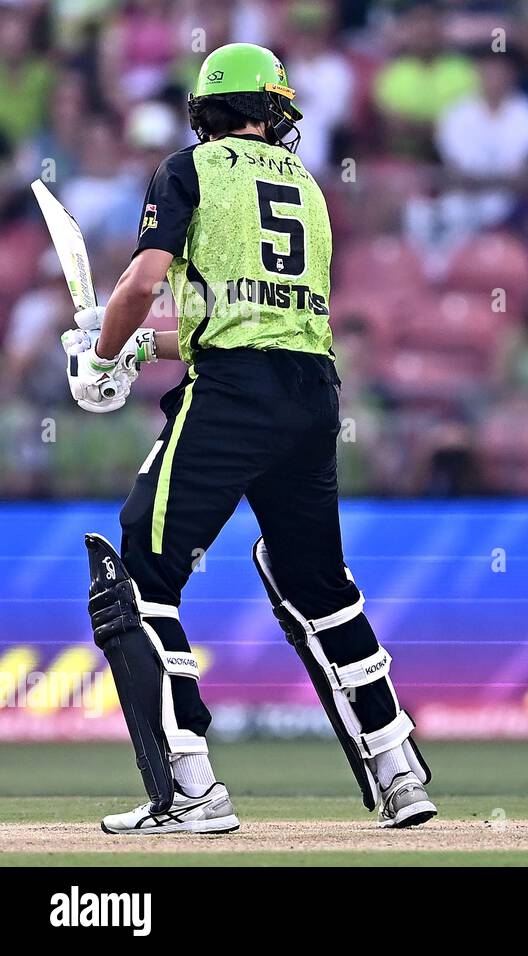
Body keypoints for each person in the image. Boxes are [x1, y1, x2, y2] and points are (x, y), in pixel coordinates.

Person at [66, 43, 435, 834]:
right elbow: (260, 321)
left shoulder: (188, 168)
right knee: (319, 584)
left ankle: (191, 786)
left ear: (205, 112)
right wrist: (136, 346)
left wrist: (102, 358)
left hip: (234, 393)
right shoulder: (306, 186)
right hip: (310, 394)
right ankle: (398, 766)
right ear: (270, 112)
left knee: (140, 571)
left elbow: (142, 283)